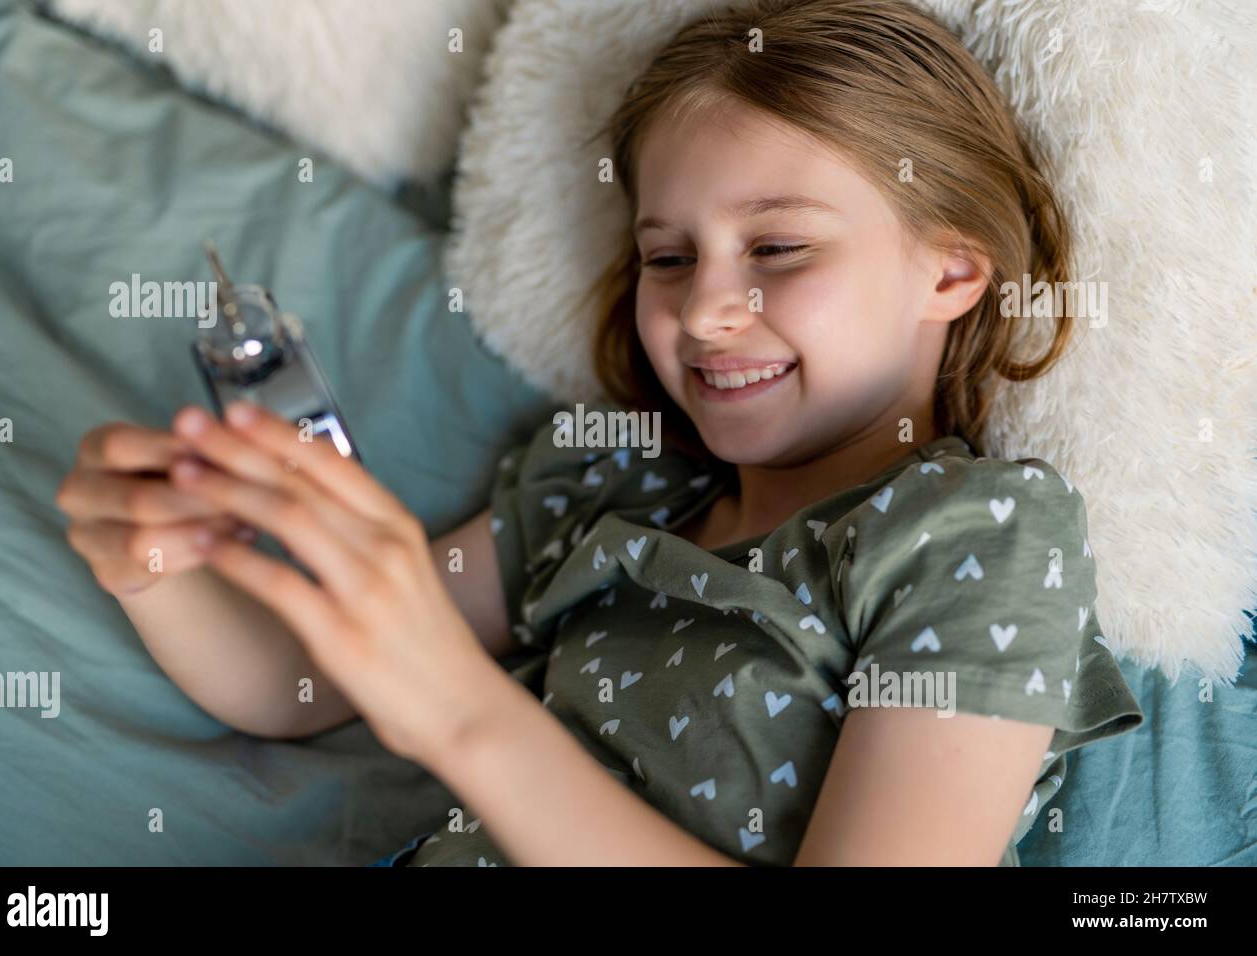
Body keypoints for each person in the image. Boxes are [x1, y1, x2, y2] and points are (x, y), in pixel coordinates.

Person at [55, 0, 1143, 867]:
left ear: (951, 269)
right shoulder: (609, 478)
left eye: (777, 250)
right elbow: (291, 680)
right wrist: (155, 561)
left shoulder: (978, 535)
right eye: (669, 258)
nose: (704, 308)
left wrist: (463, 713)